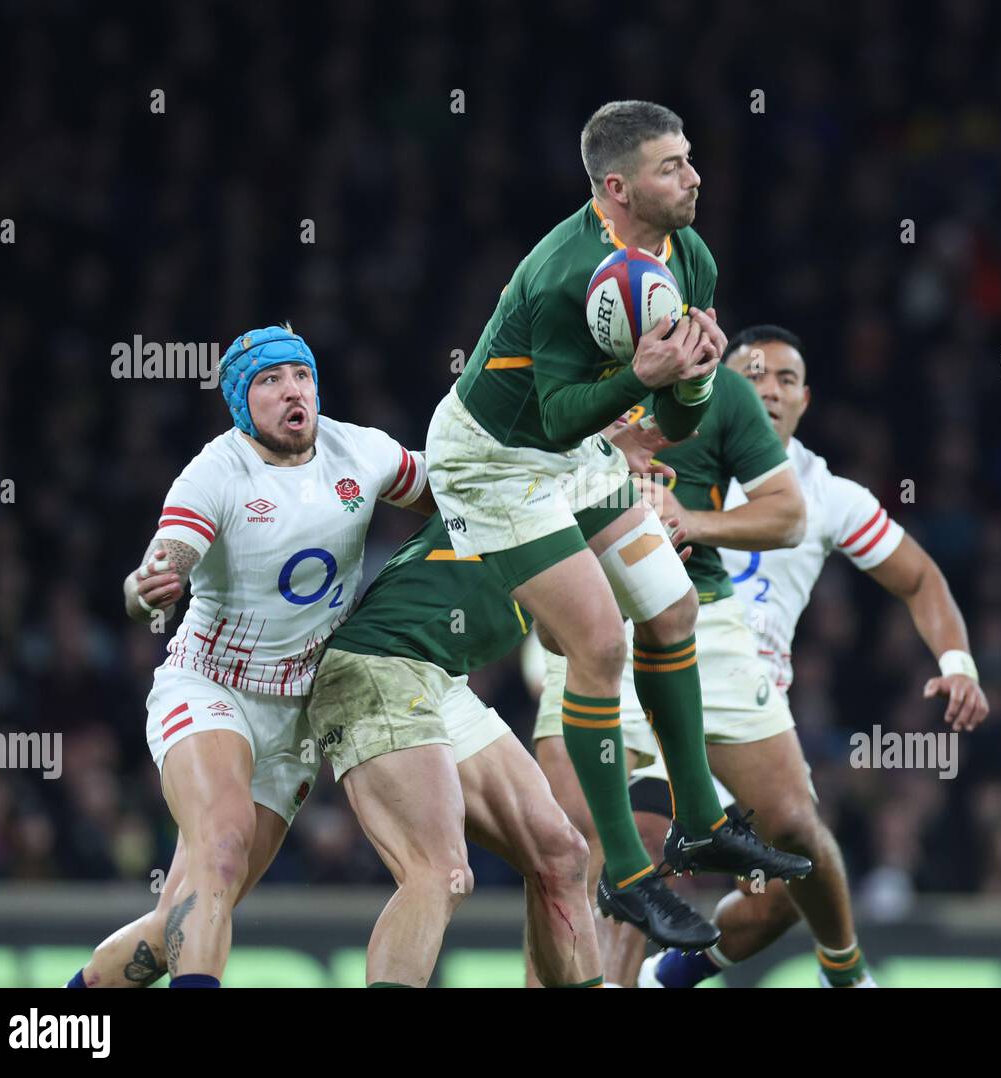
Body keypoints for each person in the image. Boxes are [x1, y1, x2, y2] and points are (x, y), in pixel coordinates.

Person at [73, 432, 696, 988]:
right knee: (438, 872)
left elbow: (566, 638)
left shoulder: (584, 525)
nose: (645, 457)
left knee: (562, 855)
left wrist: (623, 569)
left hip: (432, 679)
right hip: (378, 664)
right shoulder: (522, 459)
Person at [424, 100, 810, 947]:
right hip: (494, 462)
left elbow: (671, 425)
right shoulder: (564, 272)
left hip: (577, 451)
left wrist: (695, 381)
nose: (695, 175)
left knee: (672, 611)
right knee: (598, 643)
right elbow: (557, 417)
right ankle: (631, 877)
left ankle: (700, 819)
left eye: (690, 158)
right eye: (673, 166)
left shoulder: (688, 255)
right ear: (617, 187)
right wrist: (640, 371)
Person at [66, 323, 434, 988]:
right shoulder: (215, 474)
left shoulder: (363, 453)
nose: (293, 390)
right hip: (209, 689)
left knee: (178, 920)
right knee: (223, 842)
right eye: (270, 381)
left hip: (297, 720)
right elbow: (152, 574)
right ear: (241, 403)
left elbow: (453, 496)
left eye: (301, 376)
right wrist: (145, 588)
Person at [637, 324, 990, 988]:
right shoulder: (664, 451)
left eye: (786, 379)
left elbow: (919, 579)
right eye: (754, 375)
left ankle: (687, 978)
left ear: (806, 400)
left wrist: (957, 664)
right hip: (655, 677)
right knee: (641, 842)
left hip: (749, 701)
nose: (769, 390)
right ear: (718, 384)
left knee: (790, 874)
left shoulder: (828, 495)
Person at [529, 356, 809, 986]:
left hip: (701, 617)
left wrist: (690, 521)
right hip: (588, 603)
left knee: (795, 842)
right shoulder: (556, 381)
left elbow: (789, 515)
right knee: (569, 850)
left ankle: (664, 978)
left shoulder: (725, 393)